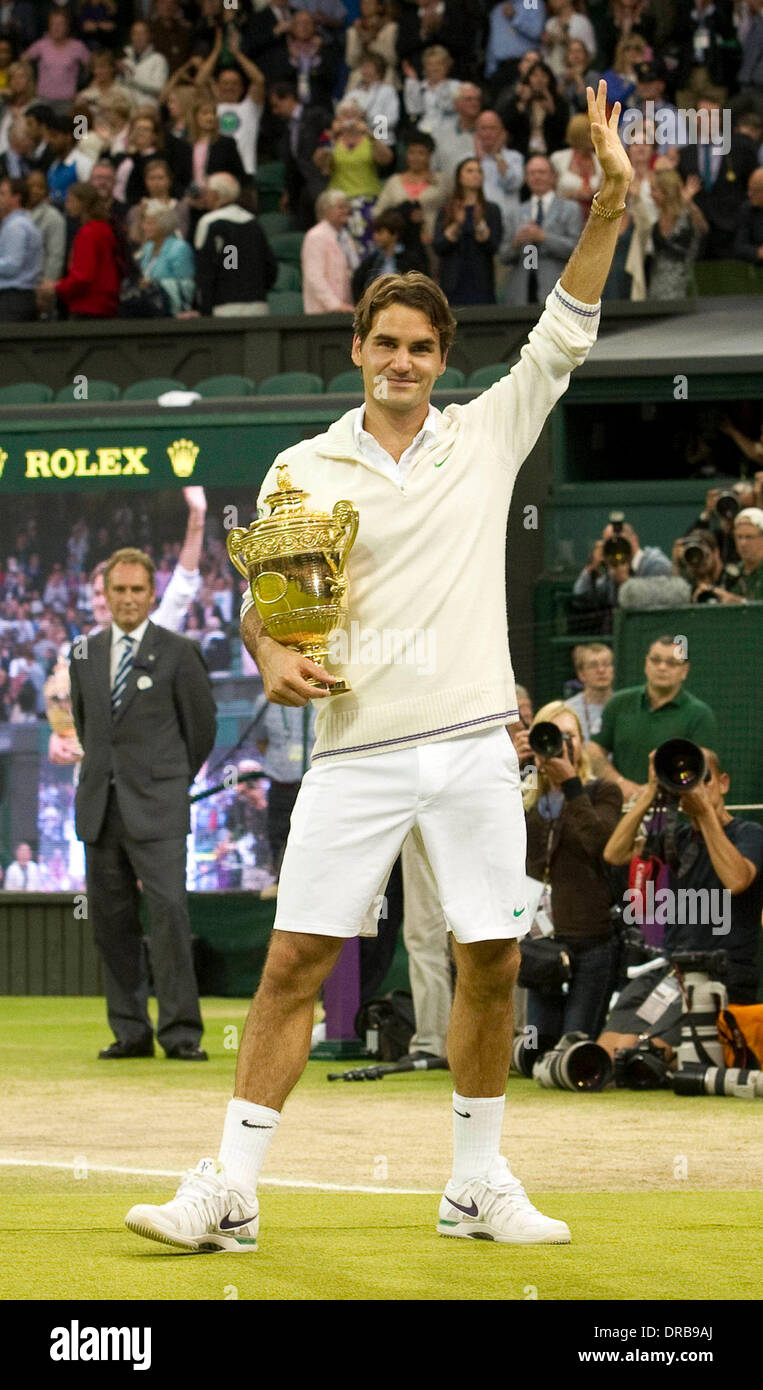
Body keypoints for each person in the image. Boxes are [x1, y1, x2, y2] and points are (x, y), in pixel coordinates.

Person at [124, 81, 635, 1255]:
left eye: (420, 348)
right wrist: (267, 651)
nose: (401, 361)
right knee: (295, 962)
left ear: (439, 359)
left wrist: (606, 205)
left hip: (466, 745)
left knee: (491, 960)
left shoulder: (487, 432)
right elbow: (272, 611)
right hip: (353, 749)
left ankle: (474, 1183)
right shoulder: (303, 467)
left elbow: (566, 325)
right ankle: (231, 1189)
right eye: (384, 344)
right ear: (357, 350)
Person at [70, 547, 217, 1061]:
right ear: (105, 595)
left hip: (159, 809)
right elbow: (91, 729)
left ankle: (180, 1034)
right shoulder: (83, 652)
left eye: (136, 590)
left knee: (170, 916)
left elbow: (200, 732)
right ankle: (130, 1032)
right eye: (119, 590)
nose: (128, 599)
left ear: (151, 594)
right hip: (99, 809)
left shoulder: (179, 651)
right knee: (112, 925)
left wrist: (166, 783)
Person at [598, 746, 763, 1062]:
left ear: (724, 783)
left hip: (720, 974)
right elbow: (614, 854)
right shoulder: (677, 837)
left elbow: (737, 880)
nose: (696, 786)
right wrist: (650, 793)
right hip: (670, 969)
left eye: (705, 778)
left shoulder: (750, 834)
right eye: (685, 778)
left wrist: (704, 814)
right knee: (609, 1050)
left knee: (640, 1056)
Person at [48, 487, 209, 768]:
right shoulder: (77, 651)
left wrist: (197, 517)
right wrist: (57, 738)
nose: (101, 601)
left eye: (107, 592)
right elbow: (67, 715)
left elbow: (183, 584)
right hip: (94, 787)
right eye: (96, 594)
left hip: (146, 783)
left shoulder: (154, 634)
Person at [521, 701, 622, 1053]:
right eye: (552, 736)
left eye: (570, 736)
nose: (562, 744)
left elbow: (600, 844)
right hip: (542, 944)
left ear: (582, 741)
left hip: (591, 941)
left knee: (572, 1051)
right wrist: (512, 767)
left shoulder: (603, 792)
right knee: (536, 1054)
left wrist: (571, 786)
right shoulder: (522, 796)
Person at [586, 635, 719, 804]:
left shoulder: (699, 714)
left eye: (671, 663)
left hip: (675, 816)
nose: (662, 667)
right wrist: (621, 784)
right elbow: (594, 751)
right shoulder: (618, 703)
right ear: (646, 664)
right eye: (655, 660)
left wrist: (654, 790)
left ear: (684, 670)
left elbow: (703, 769)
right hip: (622, 811)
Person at [501, 154, 582, 305]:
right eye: (532, 173)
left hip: (557, 292)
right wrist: (515, 243)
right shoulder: (515, 213)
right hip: (521, 296)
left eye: (542, 172)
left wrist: (543, 237)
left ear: (553, 176)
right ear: (526, 178)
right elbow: (503, 256)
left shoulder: (570, 208)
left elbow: (577, 250)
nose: (537, 177)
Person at [194, 171, 277, 317]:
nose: (205, 197)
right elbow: (270, 268)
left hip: (223, 309)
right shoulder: (253, 223)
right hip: (258, 306)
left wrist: (204, 309)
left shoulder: (209, 223)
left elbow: (205, 271)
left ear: (215, 194)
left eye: (207, 192)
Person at [253, 700, 316, 891]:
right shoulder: (265, 701)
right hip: (281, 785)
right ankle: (281, 883)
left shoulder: (324, 697)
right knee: (278, 836)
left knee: (312, 839)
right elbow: (261, 741)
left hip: (315, 785)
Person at [38, 181, 122, 319]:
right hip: (106, 304)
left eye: (70, 201)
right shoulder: (104, 228)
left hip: (88, 305)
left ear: (82, 203)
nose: (67, 205)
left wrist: (55, 287)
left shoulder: (88, 232)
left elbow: (83, 277)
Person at [571, 518, 672, 628]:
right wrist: (591, 568)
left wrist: (625, 581)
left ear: (635, 540)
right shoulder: (611, 569)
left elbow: (659, 602)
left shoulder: (656, 564)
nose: (617, 548)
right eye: (610, 543)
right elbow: (580, 594)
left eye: (621, 541)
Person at [432, 155, 502, 306]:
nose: (475, 174)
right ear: (459, 177)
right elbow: (438, 246)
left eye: (479, 171)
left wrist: (480, 225)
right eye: (469, 171)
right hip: (453, 281)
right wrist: (457, 224)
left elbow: (494, 246)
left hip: (481, 281)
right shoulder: (447, 208)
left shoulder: (491, 210)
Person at [269, 81, 330, 230]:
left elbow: (332, 134)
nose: (275, 111)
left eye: (277, 105)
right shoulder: (284, 127)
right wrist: (287, 192)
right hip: (299, 191)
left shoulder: (316, 115)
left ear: (289, 98)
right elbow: (291, 163)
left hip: (320, 182)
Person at [372, 130, 445, 240]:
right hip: (401, 242)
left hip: (432, 241)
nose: (415, 158)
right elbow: (378, 213)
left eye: (421, 153)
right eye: (411, 152)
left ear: (430, 155)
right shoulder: (394, 181)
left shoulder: (442, 180)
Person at [646, 168, 706, 300]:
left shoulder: (687, 216)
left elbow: (703, 228)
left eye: (654, 190)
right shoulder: (656, 218)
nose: (651, 194)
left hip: (683, 289)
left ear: (667, 192)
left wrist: (687, 202)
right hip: (656, 289)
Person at [300, 187, 358, 313]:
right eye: (340, 207)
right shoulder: (315, 236)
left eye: (346, 207)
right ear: (326, 210)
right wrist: (334, 304)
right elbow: (314, 276)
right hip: (322, 311)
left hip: (346, 308)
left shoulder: (346, 237)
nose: (345, 211)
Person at [22, 10, 91, 112]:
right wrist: (30, 86)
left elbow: (94, 68)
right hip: (42, 100)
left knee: (77, 123)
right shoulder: (41, 45)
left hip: (67, 102)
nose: (56, 27)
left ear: (68, 27)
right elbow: (22, 61)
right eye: (53, 24)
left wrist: (84, 92)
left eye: (60, 24)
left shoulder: (77, 46)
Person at [352, 210, 428, 300]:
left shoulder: (411, 260)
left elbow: (421, 287)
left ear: (394, 234)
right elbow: (357, 283)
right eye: (375, 232)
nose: (375, 237)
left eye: (380, 232)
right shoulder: (371, 261)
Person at [136, 201, 195, 316]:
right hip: (149, 310)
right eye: (144, 222)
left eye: (150, 223)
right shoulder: (148, 248)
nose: (144, 227)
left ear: (164, 225)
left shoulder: (179, 248)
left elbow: (188, 285)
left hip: (173, 313)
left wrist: (156, 285)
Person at [0, 172, 41, 320]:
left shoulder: (16, 226)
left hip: (13, 299)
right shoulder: (21, 223)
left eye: (3, 193)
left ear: (16, 198)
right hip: (19, 297)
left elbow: (12, 265)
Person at [550, 112, 602, 218]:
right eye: (589, 131)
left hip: (595, 218)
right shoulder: (558, 159)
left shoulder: (601, 161)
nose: (593, 135)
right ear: (577, 133)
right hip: (563, 217)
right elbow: (548, 192)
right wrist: (574, 194)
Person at [564, 642, 614, 740]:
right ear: (581, 674)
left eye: (606, 664)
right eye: (593, 665)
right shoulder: (569, 710)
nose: (601, 670)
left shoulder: (624, 706)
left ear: (612, 670)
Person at [24, 167, 65, 284]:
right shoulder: (14, 212)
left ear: (46, 190)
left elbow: (55, 256)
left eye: (40, 187)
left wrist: (47, 284)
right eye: (31, 186)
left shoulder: (54, 217)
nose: (35, 191)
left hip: (39, 282)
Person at [118, 19, 169, 108]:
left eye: (142, 33)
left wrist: (133, 78)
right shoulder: (124, 60)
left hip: (148, 107)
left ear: (149, 36)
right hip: (125, 108)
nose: (138, 37)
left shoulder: (158, 59)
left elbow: (159, 88)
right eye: (135, 33)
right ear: (131, 36)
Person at [733, 166, 763, 268]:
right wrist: (758, 252)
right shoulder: (747, 209)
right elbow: (739, 247)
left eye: (754, 190)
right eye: (749, 189)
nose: (749, 194)